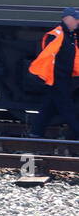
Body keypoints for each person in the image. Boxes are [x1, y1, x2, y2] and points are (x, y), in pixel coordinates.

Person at [27, 8, 79, 139]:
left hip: (64, 78)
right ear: (66, 19)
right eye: (75, 19)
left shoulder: (71, 36)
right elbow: (47, 58)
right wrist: (47, 77)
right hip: (56, 79)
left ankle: (35, 132)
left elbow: (74, 58)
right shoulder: (57, 35)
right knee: (68, 108)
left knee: (49, 107)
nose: (78, 21)